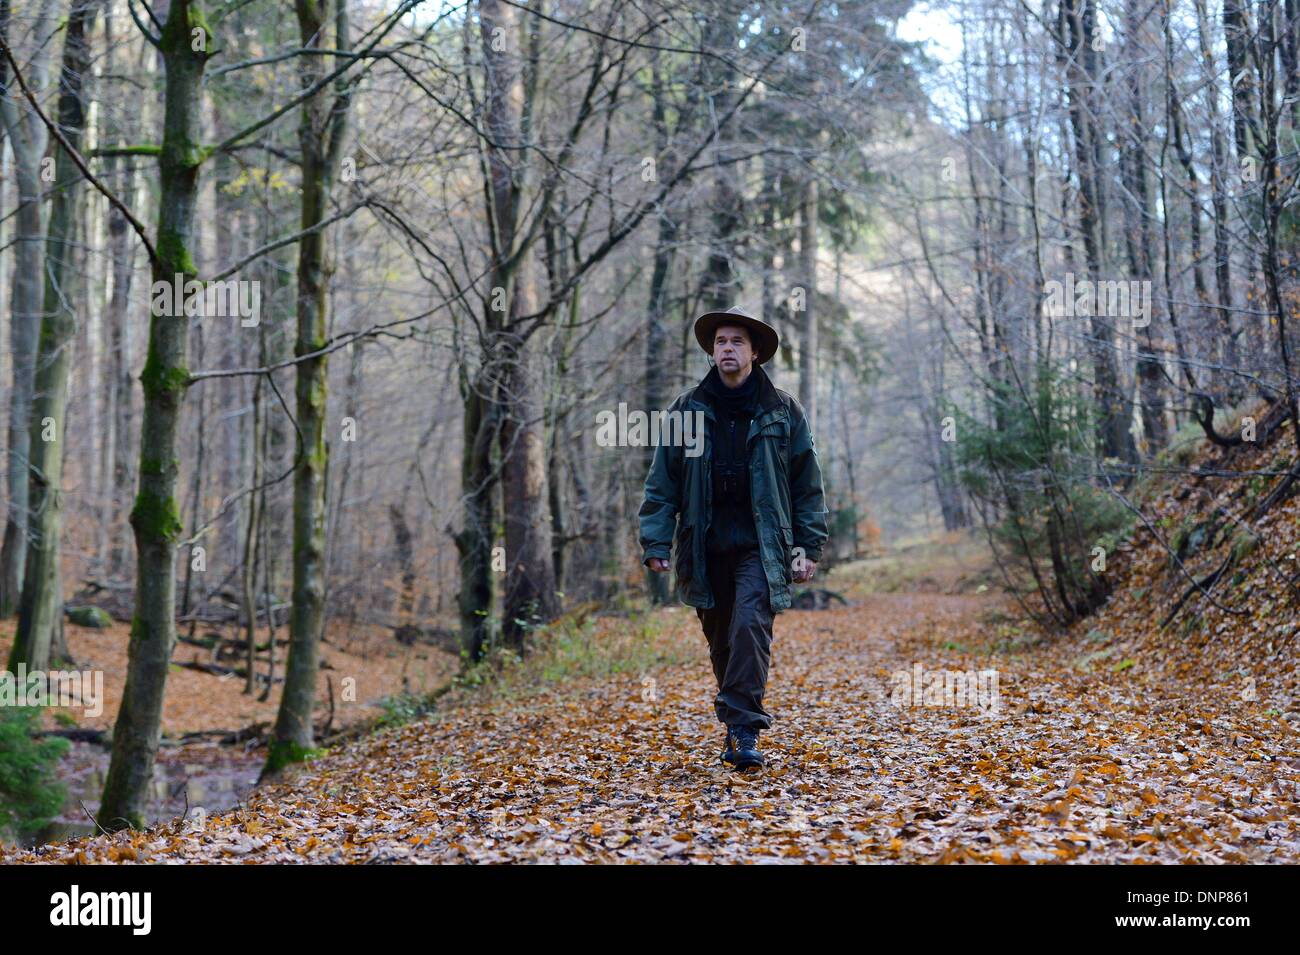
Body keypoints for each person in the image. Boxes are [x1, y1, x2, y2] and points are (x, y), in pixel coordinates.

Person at [638, 306, 829, 769]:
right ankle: (736, 719)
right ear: (712, 350)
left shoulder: (782, 410)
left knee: (749, 626)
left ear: (754, 352)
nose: (727, 348)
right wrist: (656, 541)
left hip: (762, 544)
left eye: (736, 341)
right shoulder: (686, 409)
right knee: (722, 639)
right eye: (721, 341)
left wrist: (808, 546)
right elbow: (662, 482)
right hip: (703, 545)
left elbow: (806, 483)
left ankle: (744, 730)